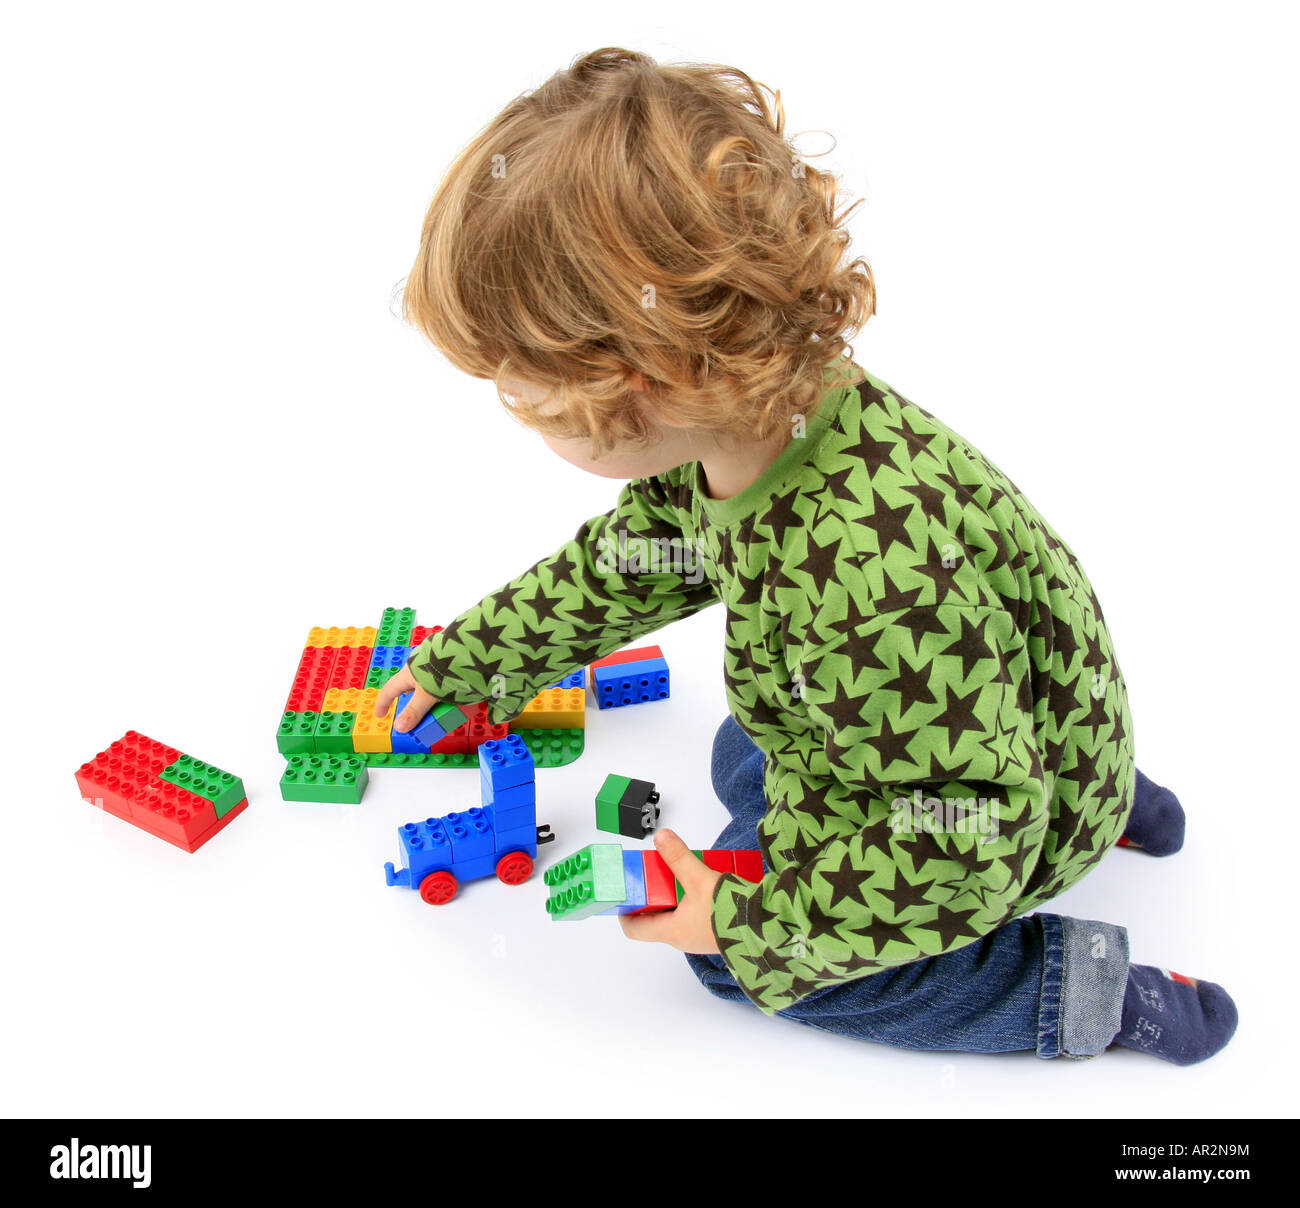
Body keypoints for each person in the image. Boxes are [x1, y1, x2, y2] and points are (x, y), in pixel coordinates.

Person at [376, 47, 1236, 1063]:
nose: (520, 418)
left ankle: (1085, 993)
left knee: (732, 959)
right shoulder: (774, 424)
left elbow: (959, 840)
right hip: (1034, 732)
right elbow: (632, 560)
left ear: (640, 379)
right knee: (743, 752)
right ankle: (1104, 799)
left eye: (528, 397)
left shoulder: (862, 589)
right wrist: (474, 659)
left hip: (982, 821)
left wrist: (738, 923)